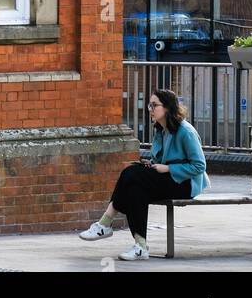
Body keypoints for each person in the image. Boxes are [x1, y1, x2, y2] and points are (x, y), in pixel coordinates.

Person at [79, 88, 210, 260]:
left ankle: (105, 223)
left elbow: (199, 166)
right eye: (150, 105)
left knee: (130, 173)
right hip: (166, 179)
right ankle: (140, 247)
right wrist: (154, 166)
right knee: (135, 189)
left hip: (185, 184)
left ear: (168, 108)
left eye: (154, 105)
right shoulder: (160, 131)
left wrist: (168, 168)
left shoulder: (186, 131)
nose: (150, 109)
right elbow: (161, 160)